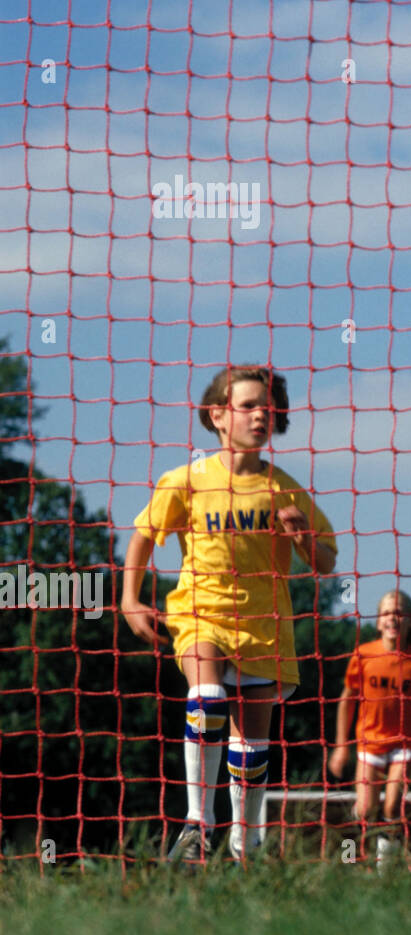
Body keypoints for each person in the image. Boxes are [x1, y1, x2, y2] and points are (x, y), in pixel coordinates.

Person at [121, 364, 338, 862]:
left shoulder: (283, 488)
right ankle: (199, 823)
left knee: (253, 748)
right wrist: (130, 598)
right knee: (207, 696)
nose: (260, 415)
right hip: (201, 613)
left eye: (268, 408)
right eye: (248, 406)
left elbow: (326, 561)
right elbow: (142, 537)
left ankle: (246, 843)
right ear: (218, 415)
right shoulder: (188, 479)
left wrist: (303, 536)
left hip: (264, 627)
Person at [329, 590, 411, 869]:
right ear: (378, 622)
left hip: (404, 743)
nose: (393, 617)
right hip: (369, 743)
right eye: (387, 612)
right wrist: (341, 747)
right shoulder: (363, 655)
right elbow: (346, 701)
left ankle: (384, 871)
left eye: (399, 612)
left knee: (392, 807)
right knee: (365, 810)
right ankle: (352, 860)